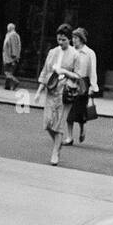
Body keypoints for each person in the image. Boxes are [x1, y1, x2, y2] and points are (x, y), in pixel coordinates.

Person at [33, 23, 83, 166]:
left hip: (65, 91)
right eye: (59, 39)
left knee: (59, 123)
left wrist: (64, 71)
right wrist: (38, 92)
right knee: (48, 123)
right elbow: (45, 72)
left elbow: (78, 76)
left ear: (69, 39)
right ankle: (57, 143)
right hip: (51, 90)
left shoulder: (75, 55)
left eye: (64, 40)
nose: (61, 42)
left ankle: (55, 152)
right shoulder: (52, 52)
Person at [64, 27, 99, 145]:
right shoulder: (70, 51)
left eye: (76, 38)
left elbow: (92, 71)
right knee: (68, 112)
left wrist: (93, 87)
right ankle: (69, 137)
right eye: (73, 37)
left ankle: (82, 127)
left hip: (82, 83)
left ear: (82, 39)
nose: (73, 40)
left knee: (79, 111)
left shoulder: (89, 53)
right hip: (69, 82)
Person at [1, 22, 21, 91]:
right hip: (8, 57)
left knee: (7, 72)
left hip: (10, 58)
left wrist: (14, 57)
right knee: (9, 72)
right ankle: (7, 86)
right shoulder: (9, 35)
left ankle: (15, 81)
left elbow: (14, 47)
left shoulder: (13, 35)